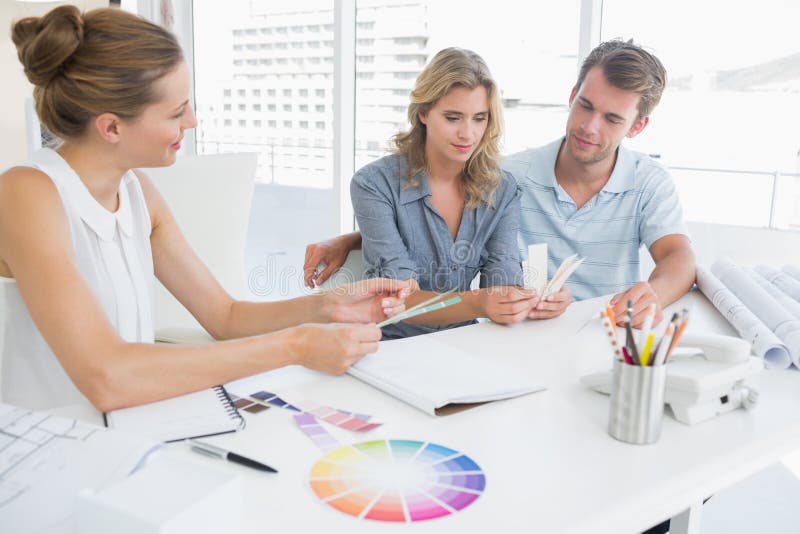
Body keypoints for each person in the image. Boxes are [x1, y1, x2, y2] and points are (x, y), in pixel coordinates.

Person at [0, 6, 412, 413]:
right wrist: (296, 346)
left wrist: (327, 308)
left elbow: (226, 316)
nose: (193, 121)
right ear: (111, 127)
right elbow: (107, 376)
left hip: (129, 429)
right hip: (48, 447)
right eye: (177, 111)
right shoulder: (28, 193)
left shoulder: (138, 191)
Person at [304, 40, 695, 328]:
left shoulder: (646, 182)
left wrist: (652, 295)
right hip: (486, 336)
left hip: (601, 335)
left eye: (612, 119)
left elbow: (679, 256)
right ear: (572, 96)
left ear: (637, 126)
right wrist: (355, 238)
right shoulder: (512, 175)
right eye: (586, 106)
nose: (590, 128)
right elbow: (416, 221)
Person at [348, 47, 568, 340]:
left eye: (479, 118)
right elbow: (398, 303)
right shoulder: (374, 185)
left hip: (465, 342)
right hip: (389, 346)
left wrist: (531, 301)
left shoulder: (502, 190)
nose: (468, 134)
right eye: (453, 118)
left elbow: (502, 283)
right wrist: (479, 302)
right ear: (424, 113)